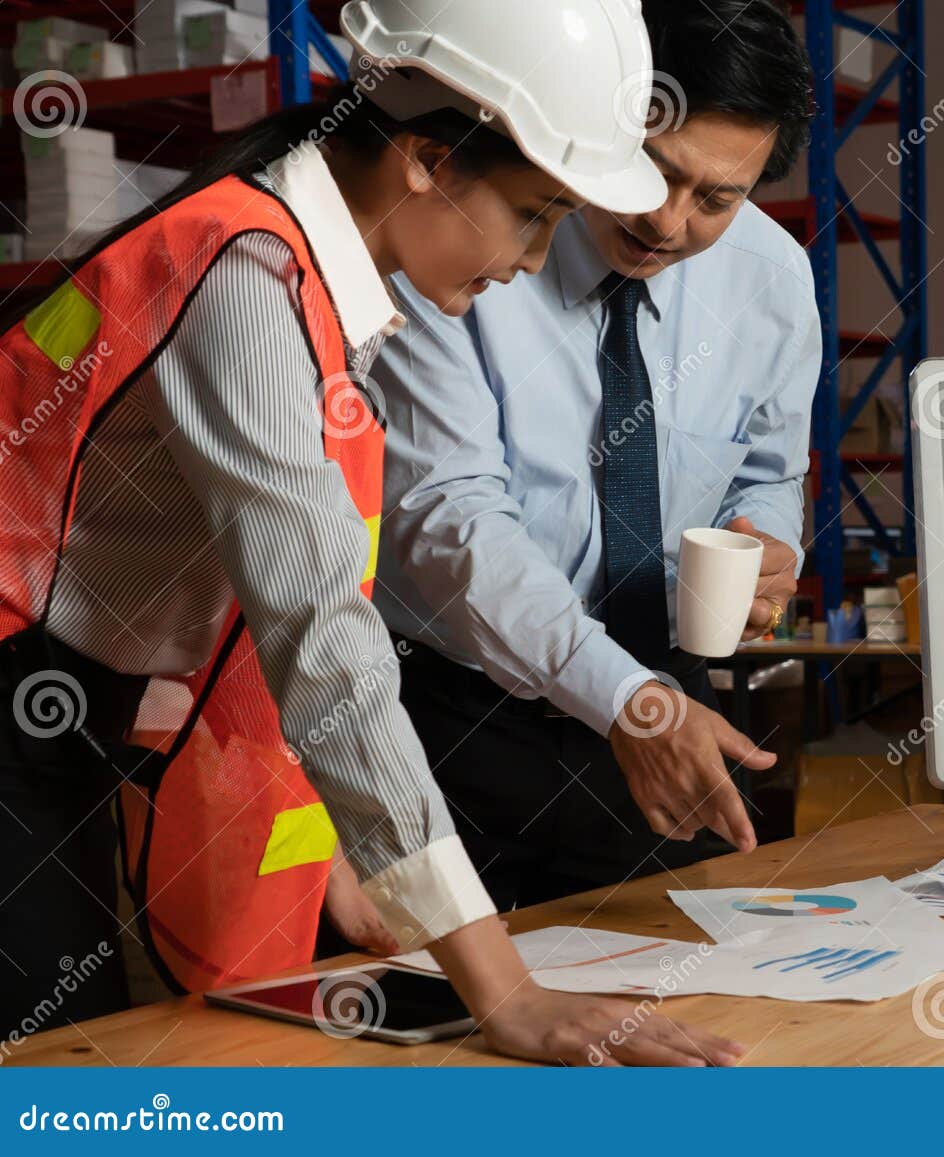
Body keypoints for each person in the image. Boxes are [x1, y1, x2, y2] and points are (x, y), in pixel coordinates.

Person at [0, 0, 739, 1067]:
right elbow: (321, 637)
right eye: (533, 215)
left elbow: (253, 601)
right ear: (427, 162)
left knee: (82, 1033)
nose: (535, 260)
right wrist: (506, 992)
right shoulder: (245, 280)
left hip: (65, 702)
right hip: (22, 689)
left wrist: (358, 858)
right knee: (55, 1057)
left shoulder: (308, 279)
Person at [369, 0, 819, 910]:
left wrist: (768, 547)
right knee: (422, 992)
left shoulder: (771, 279)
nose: (668, 221)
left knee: (675, 977)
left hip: (665, 706)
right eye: (655, 170)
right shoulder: (463, 239)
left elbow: (769, 472)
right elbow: (452, 517)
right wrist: (623, 699)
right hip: (451, 714)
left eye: (717, 199)